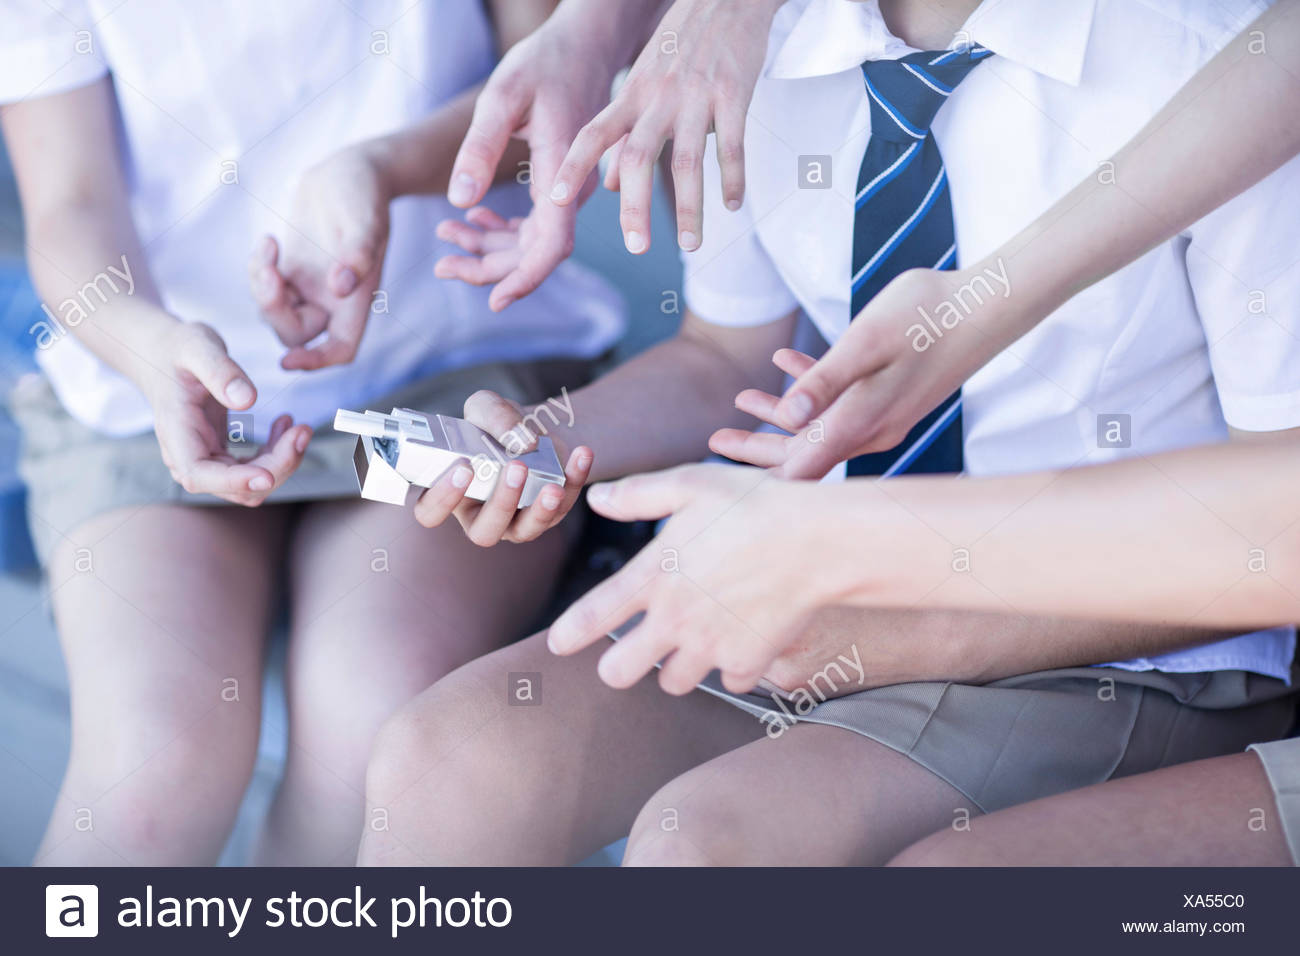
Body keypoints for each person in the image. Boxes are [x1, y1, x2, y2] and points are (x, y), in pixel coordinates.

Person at [359, 0, 1299, 867]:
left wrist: (902, 626)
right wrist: (544, 441)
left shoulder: (1209, 56)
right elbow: (725, 360)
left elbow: (1266, 527)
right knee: (438, 765)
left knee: (704, 848)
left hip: (1118, 649)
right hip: (802, 589)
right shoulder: (750, 46)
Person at [0, 0, 621, 865]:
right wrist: (148, 350)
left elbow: (563, 98)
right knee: (150, 765)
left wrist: (381, 167)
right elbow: (68, 206)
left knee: (373, 714)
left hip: (453, 365)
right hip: (150, 382)